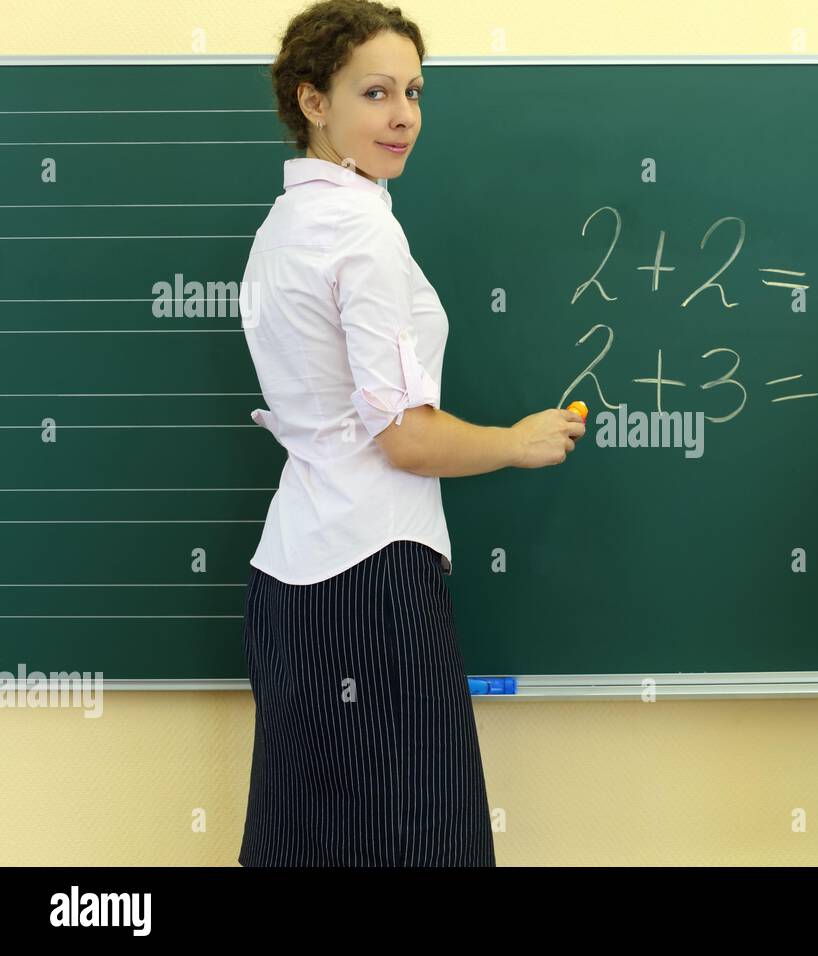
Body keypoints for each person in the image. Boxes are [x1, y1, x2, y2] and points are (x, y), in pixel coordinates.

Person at [236, 0, 585, 866]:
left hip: (290, 576)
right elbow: (405, 439)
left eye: (416, 93)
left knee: (307, 843)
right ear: (313, 101)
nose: (403, 117)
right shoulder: (361, 229)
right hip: (373, 576)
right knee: (423, 843)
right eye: (376, 92)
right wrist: (519, 440)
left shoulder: (281, 228)